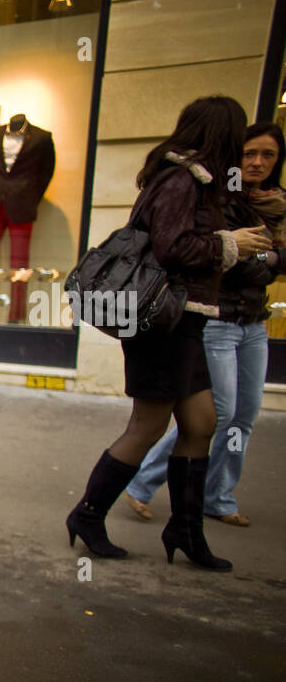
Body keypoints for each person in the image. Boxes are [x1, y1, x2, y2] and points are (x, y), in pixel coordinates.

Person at [65, 96, 273, 570]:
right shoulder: (182, 179)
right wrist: (230, 243)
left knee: (201, 423)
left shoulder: (206, 185)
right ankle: (88, 514)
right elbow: (172, 246)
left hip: (189, 321)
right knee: (148, 424)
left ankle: (185, 528)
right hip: (163, 322)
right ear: (223, 134)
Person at [123, 122, 285, 527]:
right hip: (217, 319)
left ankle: (218, 496)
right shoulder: (217, 200)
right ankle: (142, 482)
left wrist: (261, 260)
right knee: (215, 415)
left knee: (243, 415)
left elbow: (269, 264)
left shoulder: (277, 205)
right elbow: (224, 264)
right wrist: (255, 257)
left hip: (254, 320)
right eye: (250, 153)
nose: (258, 162)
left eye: (268, 155)